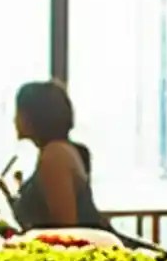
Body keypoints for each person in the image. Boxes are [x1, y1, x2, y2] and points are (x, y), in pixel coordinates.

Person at [9, 80, 104, 230]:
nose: (14, 120)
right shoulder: (56, 150)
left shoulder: (55, 155)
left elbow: (65, 229)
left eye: (18, 112)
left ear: (33, 116)